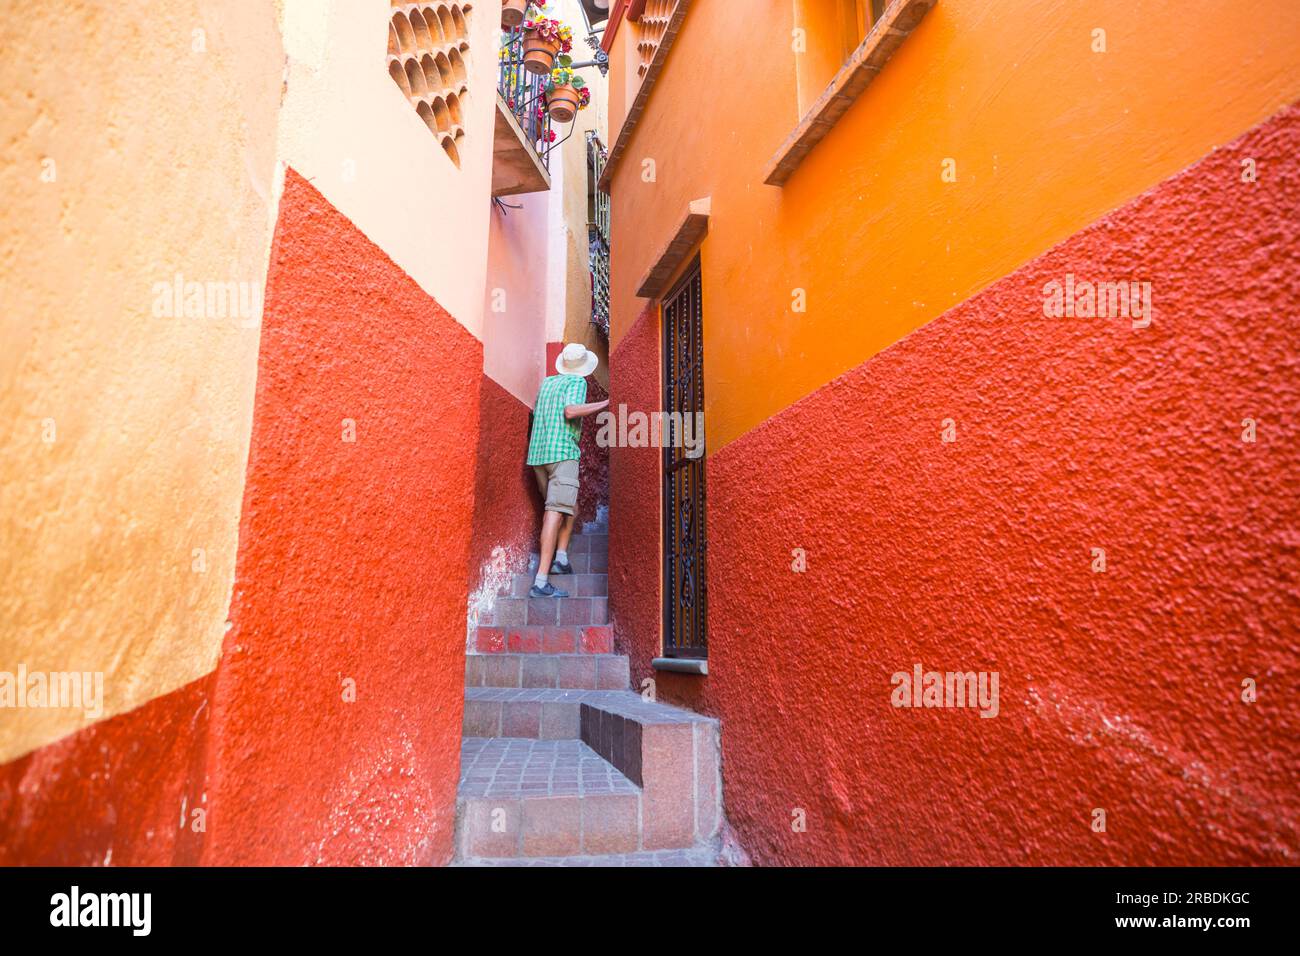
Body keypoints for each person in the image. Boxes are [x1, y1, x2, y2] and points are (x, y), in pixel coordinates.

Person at [525, 343, 609, 597]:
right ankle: (541, 582)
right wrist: (606, 403)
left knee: (569, 506)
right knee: (555, 512)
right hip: (562, 454)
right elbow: (571, 410)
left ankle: (561, 557)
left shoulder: (547, 383)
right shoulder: (578, 383)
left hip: (538, 456)